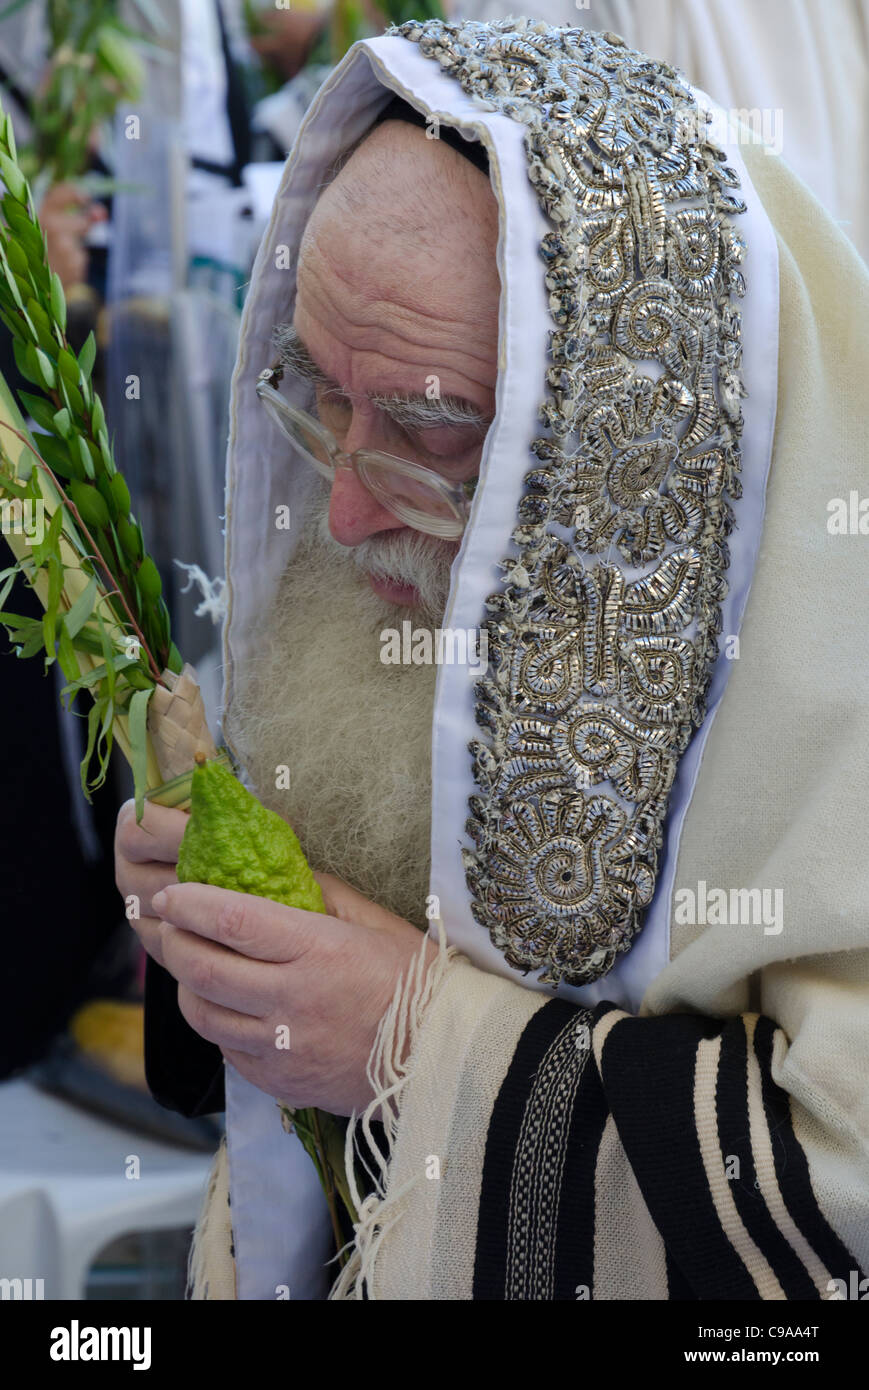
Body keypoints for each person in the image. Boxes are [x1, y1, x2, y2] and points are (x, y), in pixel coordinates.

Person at [115, 17, 869, 1299]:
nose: (345, 513)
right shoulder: (380, 534)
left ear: (625, 450)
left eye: (430, 426)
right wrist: (235, 942)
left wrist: (414, 1040)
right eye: (318, 392)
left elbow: (837, 1212)